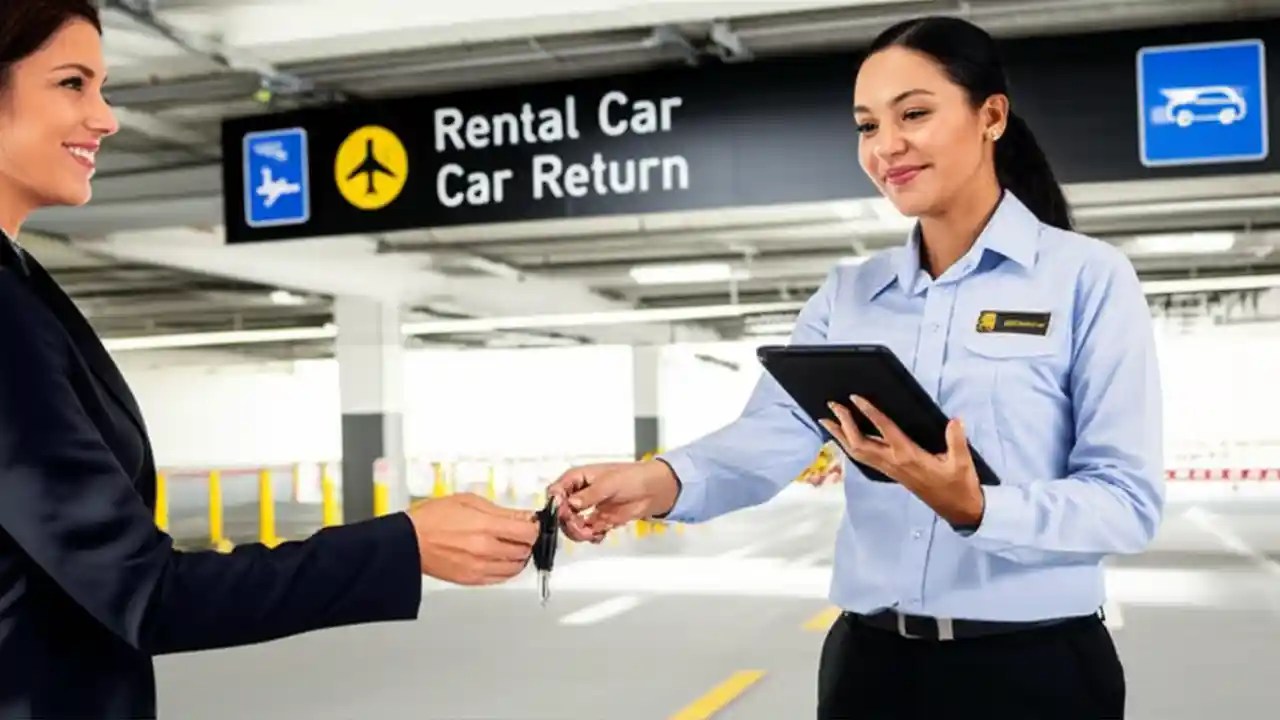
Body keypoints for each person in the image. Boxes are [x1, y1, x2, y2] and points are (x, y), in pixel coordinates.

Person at [550, 15, 1162, 720]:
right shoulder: (849, 294)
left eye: (915, 114)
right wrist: (652, 482)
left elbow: (1126, 502)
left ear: (991, 116)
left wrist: (976, 506)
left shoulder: (1087, 278)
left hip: (1038, 672)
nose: (886, 146)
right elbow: (769, 437)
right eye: (867, 126)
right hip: (871, 672)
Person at [0, 3, 539, 717]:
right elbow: (146, 592)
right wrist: (404, 545)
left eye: (101, 87)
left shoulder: (21, 281)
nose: (107, 118)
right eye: (72, 84)